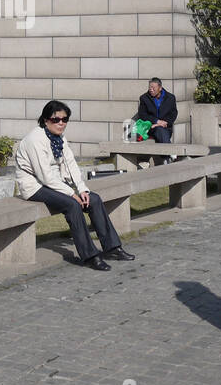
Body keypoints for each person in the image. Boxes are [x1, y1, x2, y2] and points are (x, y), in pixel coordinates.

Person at [15, 100, 134, 271]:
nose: (61, 123)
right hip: (35, 186)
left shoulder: (59, 137)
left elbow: (71, 165)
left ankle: (112, 248)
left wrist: (83, 189)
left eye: (64, 119)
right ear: (45, 120)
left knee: (93, 199)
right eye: (56, 120)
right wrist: (72, 194)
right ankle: (90, 256)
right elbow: (45, 176)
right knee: (73, 205)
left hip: (55, 184)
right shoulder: (35, 139)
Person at [137, 77, 178, 144]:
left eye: (153, 88)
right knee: (160, 131)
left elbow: (173, 113)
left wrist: (164, 123)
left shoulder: (170, 98)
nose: (151, 90)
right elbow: (142, 114)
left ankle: (168, 152)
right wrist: (157, 122)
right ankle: (170, 152)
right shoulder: (144, 98)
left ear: (160, 88)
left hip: (166, 127)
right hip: (151, 127)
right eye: (150, 87)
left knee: (161, 131)